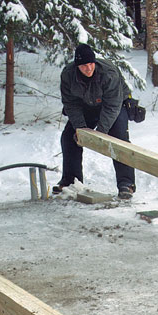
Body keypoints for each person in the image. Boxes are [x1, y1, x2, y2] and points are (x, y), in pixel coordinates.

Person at [55, 43, 136, 200]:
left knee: (119, 139)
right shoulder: (68, 75)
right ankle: (71, 181)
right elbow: (70, 104)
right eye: (84, 66)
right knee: (69, 137)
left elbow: (112, 106)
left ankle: (126, 184)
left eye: (91, 64)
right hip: (85, 106)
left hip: (114, 105)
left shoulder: (108, 73)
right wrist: (81, 130)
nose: (89, 68)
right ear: (77, 66)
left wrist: (100, 133)